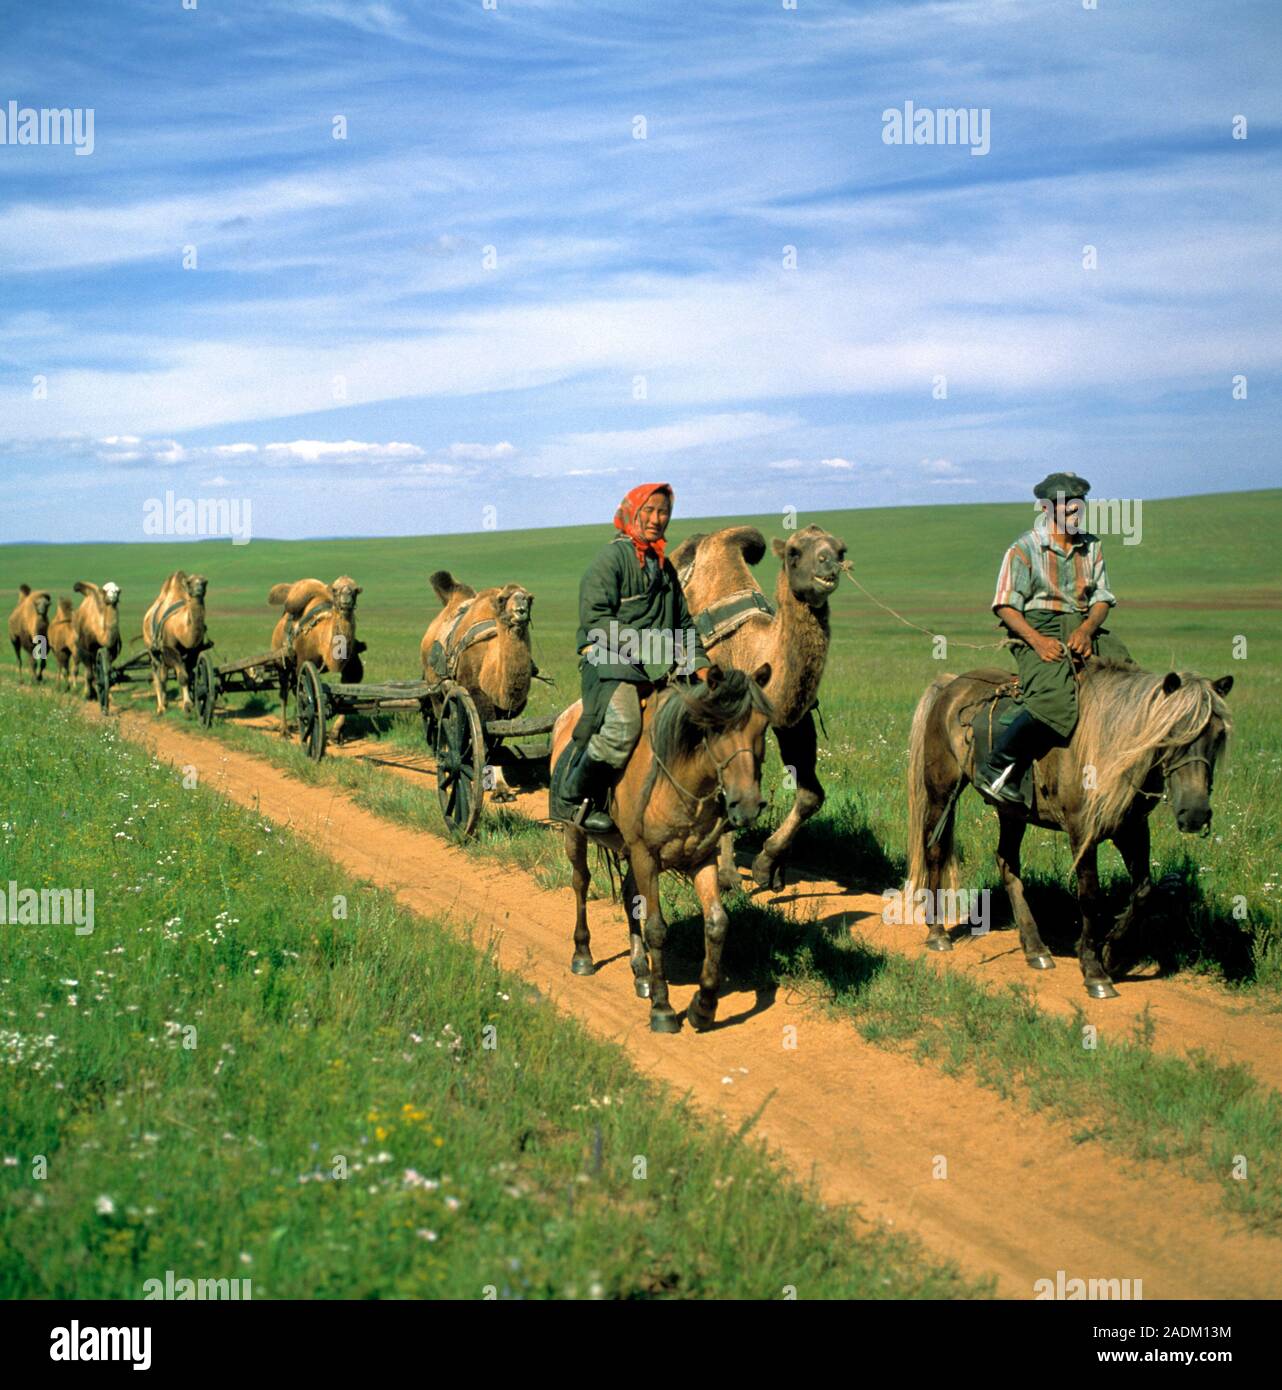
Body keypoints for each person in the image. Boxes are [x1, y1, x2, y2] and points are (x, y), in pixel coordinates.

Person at [552, 482, 711, 832]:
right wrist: (656, 651)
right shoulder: (612, 559)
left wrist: (700, 663)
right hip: (608, 660)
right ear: (633, 512)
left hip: (660, 663)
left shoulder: (664, 568)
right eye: (649, 511)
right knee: (623, 726)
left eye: (664, 511)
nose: (657, 519)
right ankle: (573, 797)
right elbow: (595, 622)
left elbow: (683, 622)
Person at [974, 471, 1132, 804]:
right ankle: (997, 765)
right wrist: (1038, 642)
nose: (1076, 513)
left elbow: (1102, 598)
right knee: (1054, 698)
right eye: (1068, 508)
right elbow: (1005, 606)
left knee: (1127, 676)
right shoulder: (1024, 549)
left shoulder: (1092, 546)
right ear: (1048, 509)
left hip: (1082, 626)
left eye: (1080, 506)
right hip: (1037, 628)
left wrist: (1087, 629)